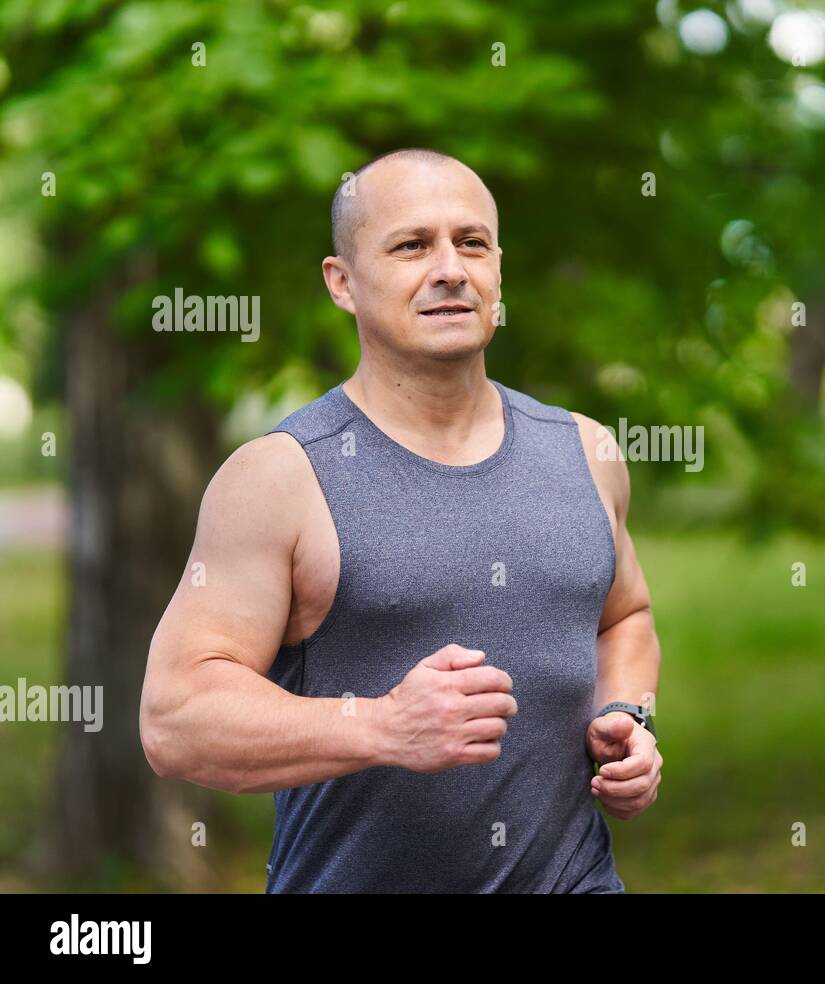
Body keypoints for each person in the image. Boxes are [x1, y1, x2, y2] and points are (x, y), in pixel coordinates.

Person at [139, 148, 662, 892]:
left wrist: (626, 718)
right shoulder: (280, 478)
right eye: (412, 245)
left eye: (471, 243)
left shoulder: (587, 449)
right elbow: (175, 720)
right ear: (342, 283)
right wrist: (382, 725)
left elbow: (626, 617)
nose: (450, 268)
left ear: (498, 271)